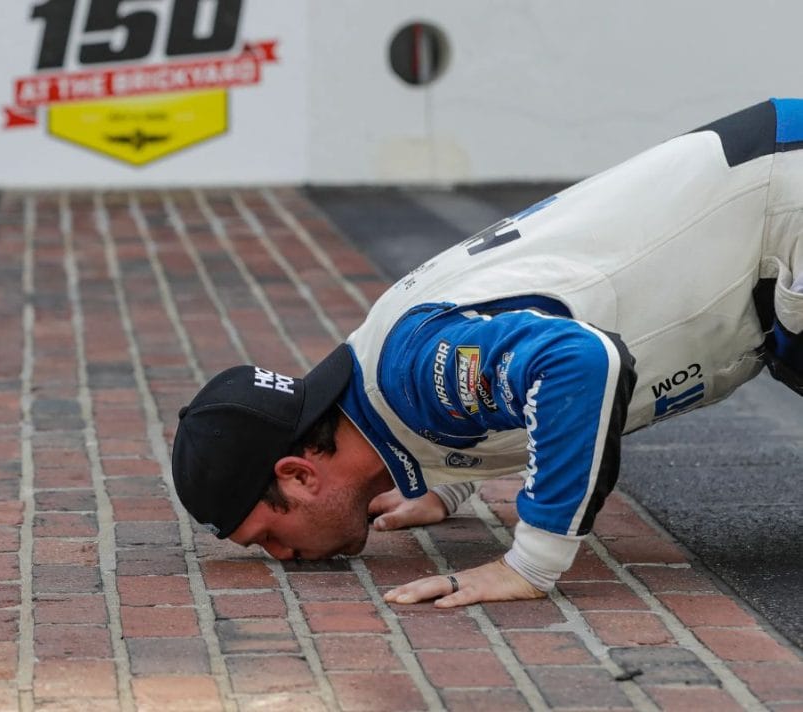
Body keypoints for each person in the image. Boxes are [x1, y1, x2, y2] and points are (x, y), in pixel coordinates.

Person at [171, 98, 803, 608]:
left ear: (300, 476)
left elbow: (576, 364)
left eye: (266, 537)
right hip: (772, 230)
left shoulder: (413, 371)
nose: (280, 556)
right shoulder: (384, 378)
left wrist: (530, 563)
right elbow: (490, 392)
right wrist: (444, 481)